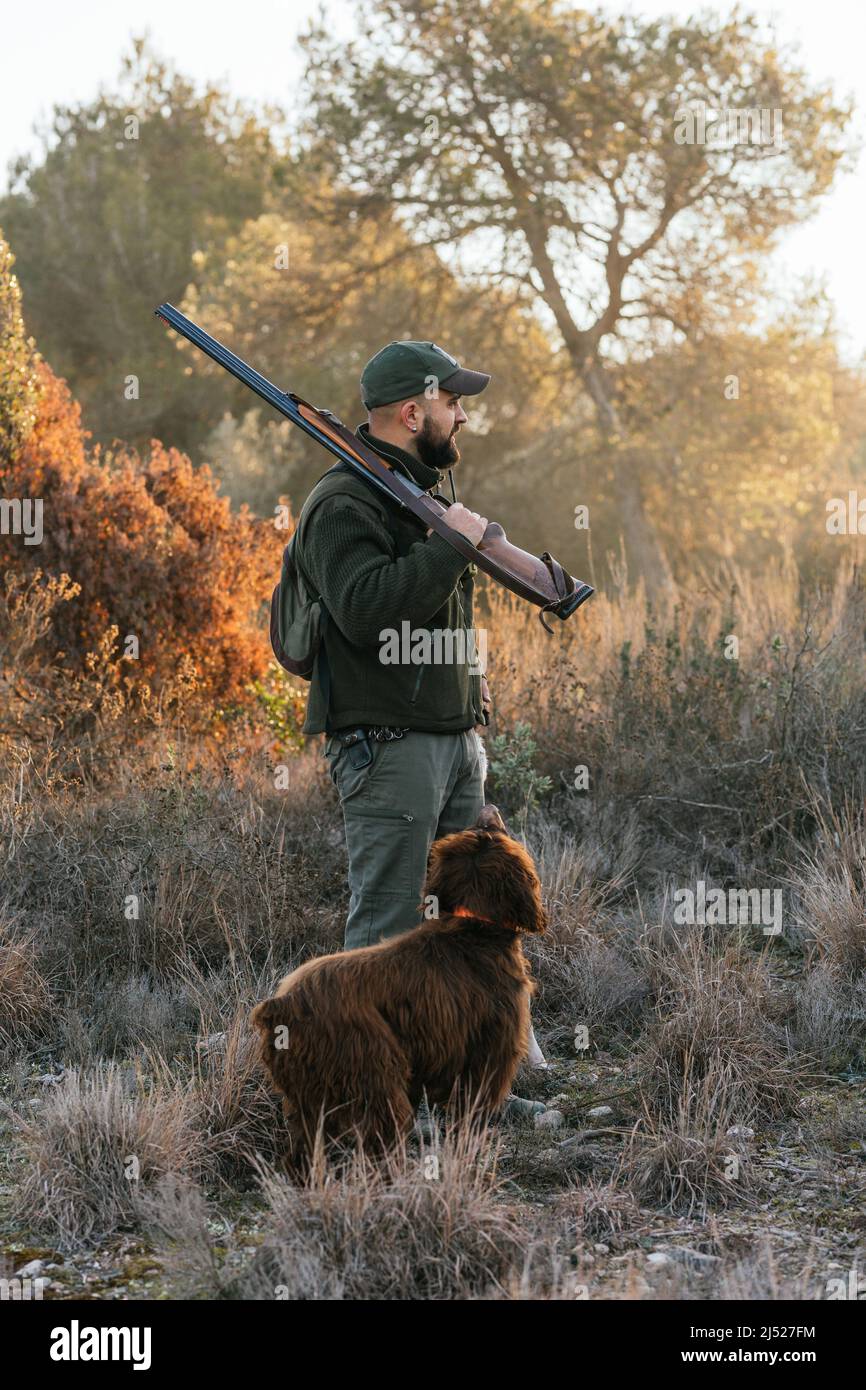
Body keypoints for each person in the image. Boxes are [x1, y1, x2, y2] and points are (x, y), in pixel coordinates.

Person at [297, 338, 546, 1122]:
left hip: (448, 739)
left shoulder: (417, 494)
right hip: (387, 744)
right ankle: (362, 1115)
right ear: (414, 411)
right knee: (387, 930)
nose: (462, 413)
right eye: (452, 402)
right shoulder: (343, 503)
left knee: (469, 931)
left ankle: (470, 1096)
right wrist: (451, 543)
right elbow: (369, 614)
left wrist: (472, 724)